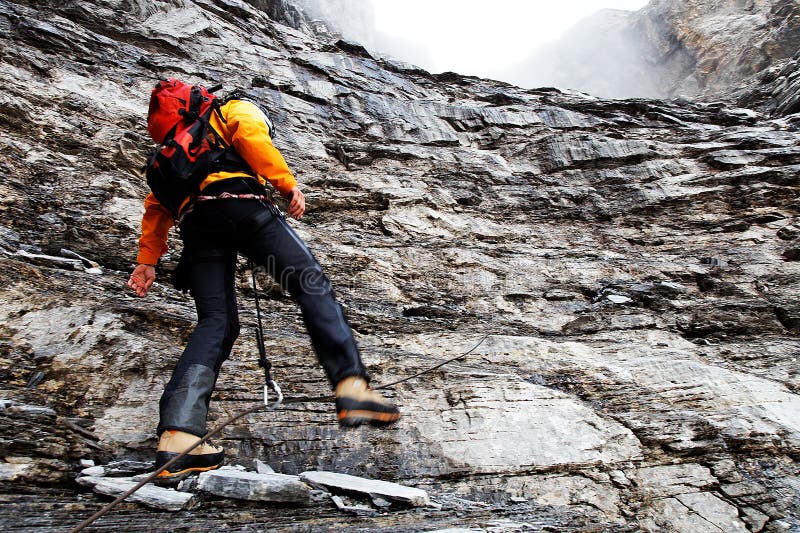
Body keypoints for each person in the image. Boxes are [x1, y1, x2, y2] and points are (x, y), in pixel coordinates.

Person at [127, 80, 400, 479]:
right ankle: (352, 387)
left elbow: (156, 209)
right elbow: (252, 137)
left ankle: (178, 436)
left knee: (216, 322)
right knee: (309, 284)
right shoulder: (230, 109)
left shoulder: (165, 157)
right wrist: (285, 182)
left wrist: (146, 261)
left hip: (197, 229)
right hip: (243, 208)